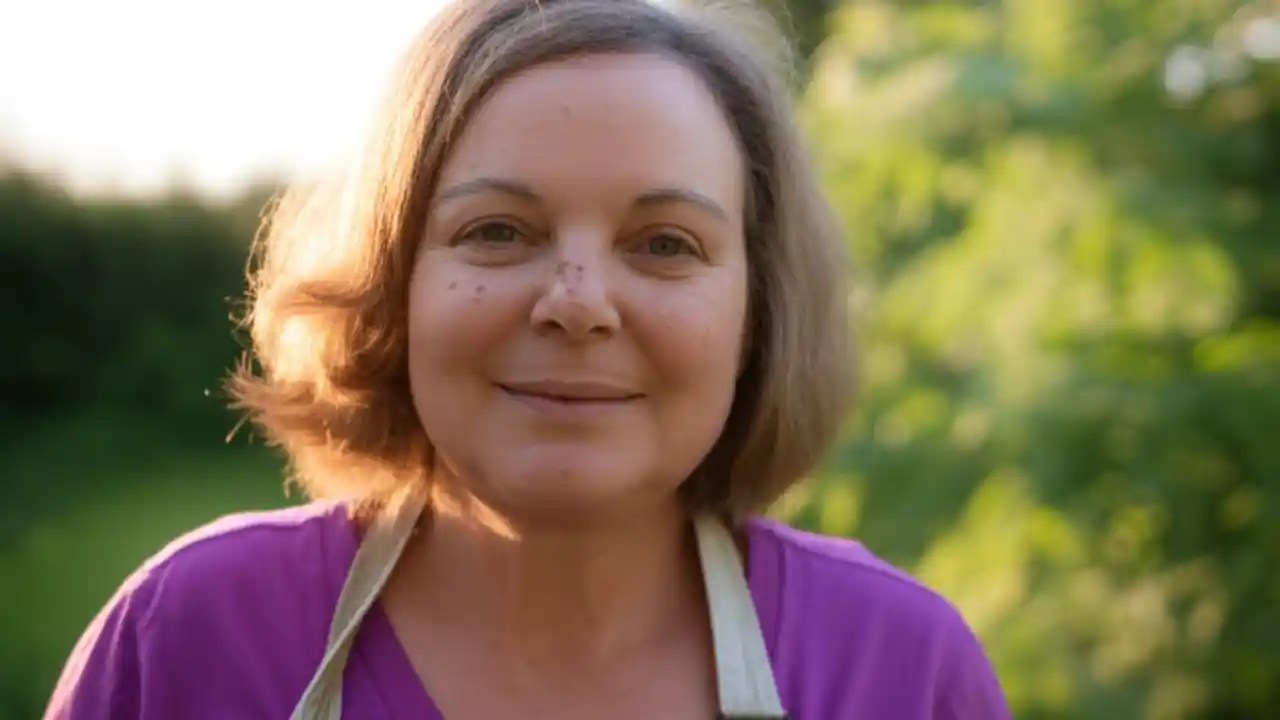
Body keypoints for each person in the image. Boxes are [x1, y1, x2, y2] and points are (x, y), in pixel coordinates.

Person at [45, 0, 1012, 717]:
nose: (579, 304)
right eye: (499, 230)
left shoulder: (902, 670)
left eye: (666, 243)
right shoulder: (188, 640)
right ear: (394, 282)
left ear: (759, 313)